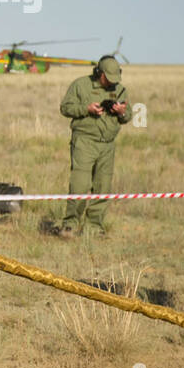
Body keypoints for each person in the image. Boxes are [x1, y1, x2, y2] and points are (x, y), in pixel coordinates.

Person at [58, 55, 131, 237]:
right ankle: (70, 224)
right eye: (109, 78)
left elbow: (128, 116)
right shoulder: (80, 85)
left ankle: (94, 228)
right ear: (100, 73)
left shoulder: (120, 90)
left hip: (107, 146)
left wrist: (121, 112)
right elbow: (65, 108)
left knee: (103, 187)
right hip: (84, 142)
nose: (112, 82)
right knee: (79, 185)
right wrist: (86, 109)